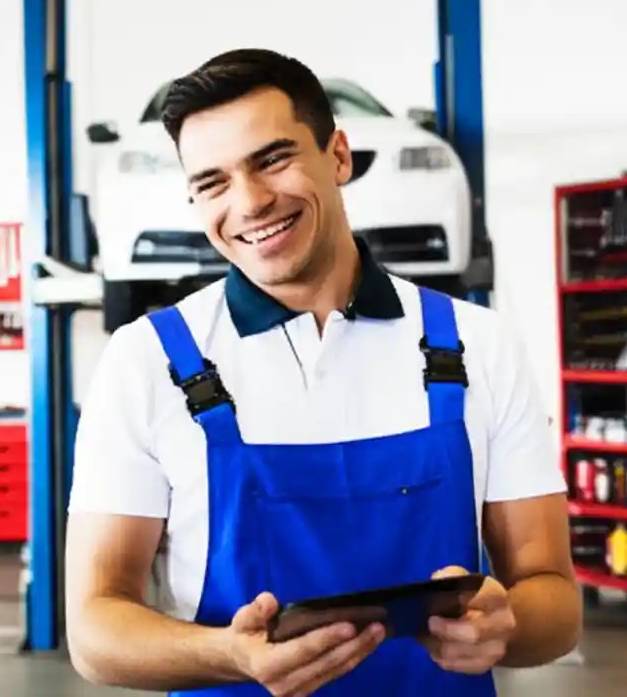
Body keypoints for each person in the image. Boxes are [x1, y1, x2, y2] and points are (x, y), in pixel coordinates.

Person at [64, 48, 581, 696]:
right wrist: (231, 655)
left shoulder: (477, 345)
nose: (250, 202)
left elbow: (555, 602)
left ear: (339, 156)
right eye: (212, 183)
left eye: (273, 159)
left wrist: (508, 624)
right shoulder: (147, 361)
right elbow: (93, 629)